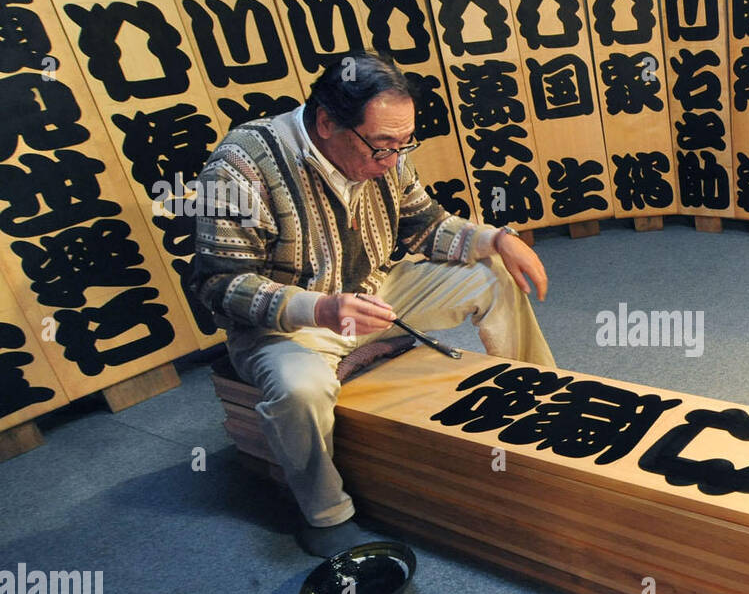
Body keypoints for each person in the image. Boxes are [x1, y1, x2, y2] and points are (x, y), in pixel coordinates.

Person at [189, 53, 554, 557]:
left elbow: (425, 225)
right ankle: (324, 513)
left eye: (403, 144)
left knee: (491, 277)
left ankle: (540, 394)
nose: (393, 159)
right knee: (300, 389)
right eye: (383, 146)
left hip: (374, 293)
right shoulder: (240, 164)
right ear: (326, 122)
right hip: (291, 323)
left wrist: (496, 239)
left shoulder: (386, 151)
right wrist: (318, 309)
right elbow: (219, 285)